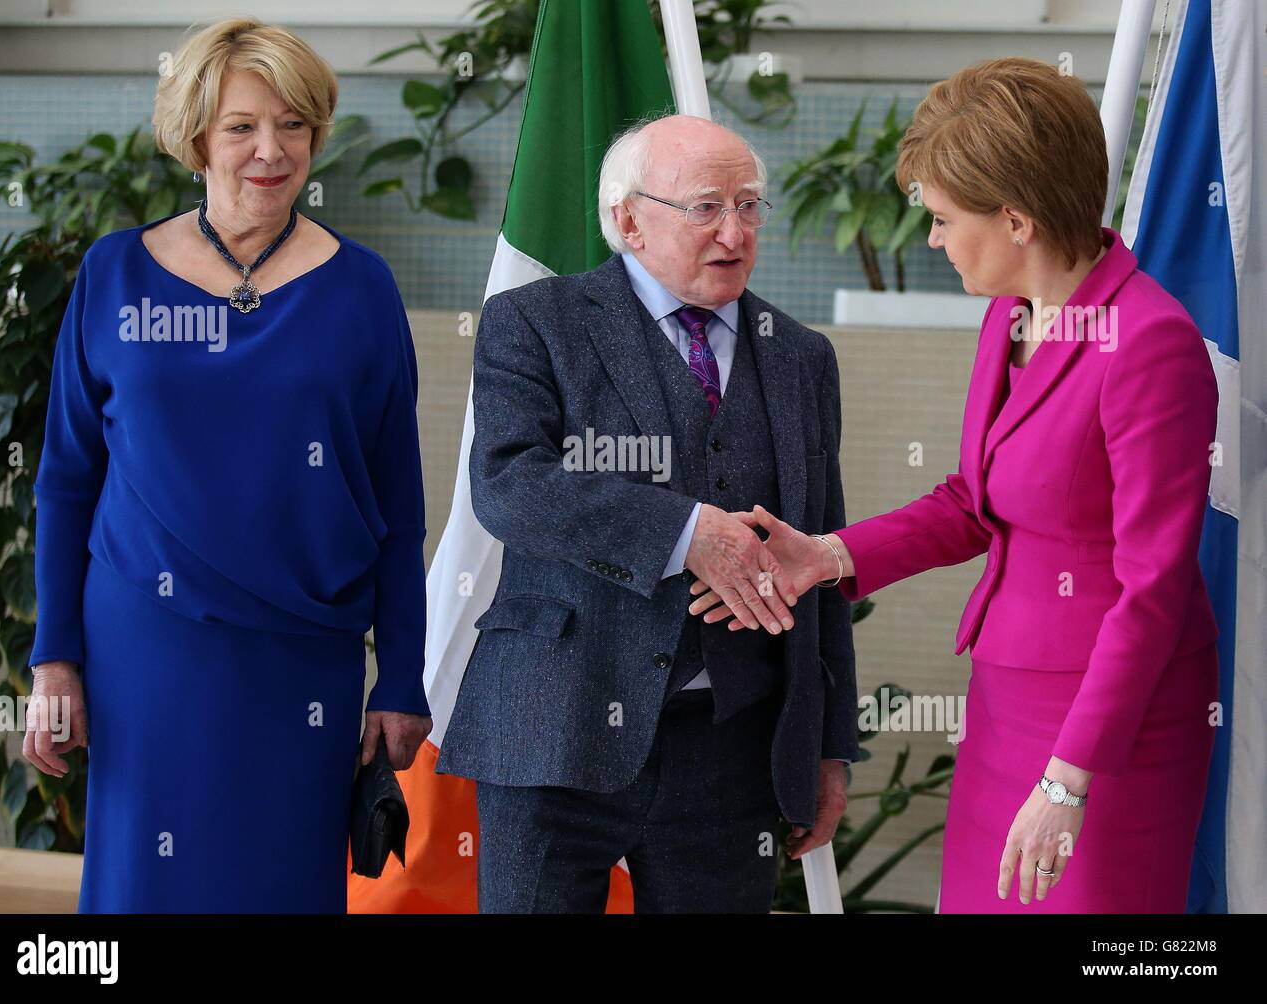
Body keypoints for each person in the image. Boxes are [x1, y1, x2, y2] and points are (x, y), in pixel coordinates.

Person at [689, 57, 1220, 913]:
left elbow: (1152, 589)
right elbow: (976, 500)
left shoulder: (1151, 343)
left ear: (1016, 218)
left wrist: (1069, 785)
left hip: (1110, 727)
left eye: (941, 218)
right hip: (1007, 696)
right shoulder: (1008, 314)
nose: (931, 240)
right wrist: (824, 555)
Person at [22, 16, 432, 912]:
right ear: (196, 134)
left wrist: (402, 677)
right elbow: (63, 479)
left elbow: (400, 503)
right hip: (145, 649)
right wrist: (54, 660)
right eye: (242, 126)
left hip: (302, 659)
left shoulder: (362, 288)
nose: (270, 150)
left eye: (293, 125)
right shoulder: (112, 274)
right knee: (144, 886)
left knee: (279, 883)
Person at [437, 114, 859, 913]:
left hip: (731, 745)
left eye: (749, 205)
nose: (735, 231)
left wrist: (830, 745)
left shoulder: (803, 356)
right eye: (706, 207)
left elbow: (823, 553)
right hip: (553, 727)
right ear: (628, 218)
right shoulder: (534, 322)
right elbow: (508, 484)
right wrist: (684, 533)